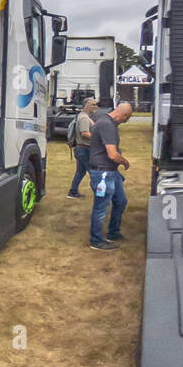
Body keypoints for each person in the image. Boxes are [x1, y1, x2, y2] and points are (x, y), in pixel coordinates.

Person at [85, 99, 130, 252]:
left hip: (111, 172)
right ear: (122, 114)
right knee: (101, 207)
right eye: (126, 118)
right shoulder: (107, 125)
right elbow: (112, 154)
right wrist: (124, 161)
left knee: (121, 202)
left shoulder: (106, 122)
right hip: (103, 173)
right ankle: (96, 240)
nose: (125, 121)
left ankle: (113, 233)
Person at [65, 104, 97, 198]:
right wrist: (97, 139)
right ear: (87, 106)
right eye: (94, 104)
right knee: (94, 172)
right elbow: (84, 133)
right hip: (84, 149)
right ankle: (100, 195)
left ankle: (73, 192)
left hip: (80, 149)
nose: (96, 106)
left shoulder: (83, 116)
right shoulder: (84, 118)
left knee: (81, 171)